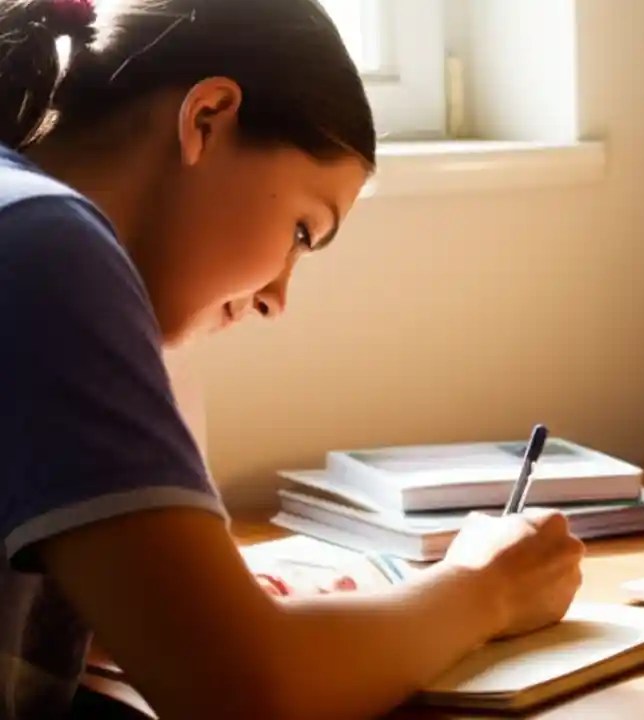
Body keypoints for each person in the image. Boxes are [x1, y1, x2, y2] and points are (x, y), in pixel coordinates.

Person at [0, 0, 585, 718]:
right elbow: (247, 692)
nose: (278, 298)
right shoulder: (43, 243)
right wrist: (484, 586)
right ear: (208, 118)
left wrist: (154, 602)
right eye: (305, 232)